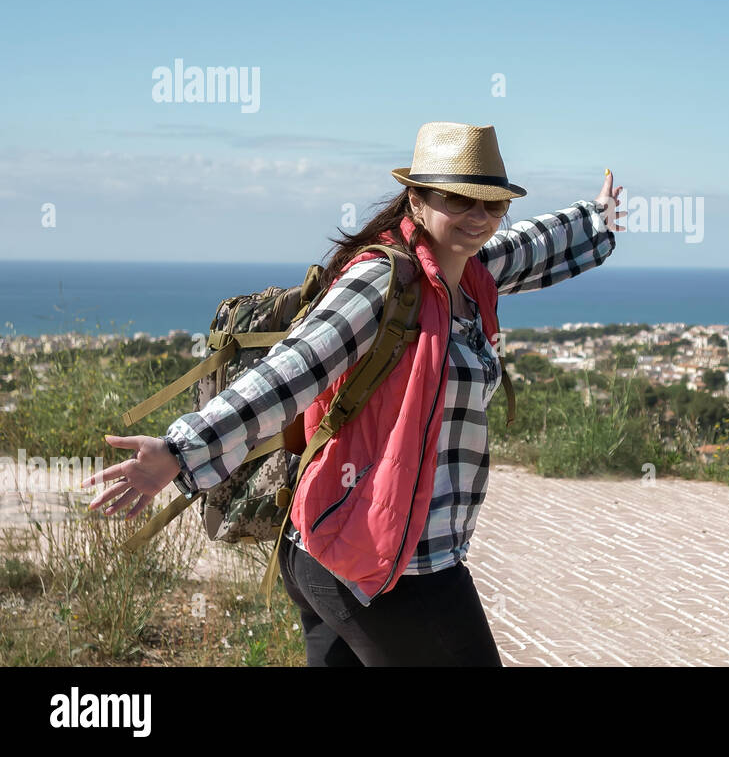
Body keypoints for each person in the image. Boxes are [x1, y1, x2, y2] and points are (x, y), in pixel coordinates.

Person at [83, 121, 624, 665]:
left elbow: (531, 245)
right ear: (416, 198)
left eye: (492, 202)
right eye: (459, 199)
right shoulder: (384, 282)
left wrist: (594, 219)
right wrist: (180, 452)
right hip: (390, 565)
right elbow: (291, 372)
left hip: (338, 551)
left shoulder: (470, 271)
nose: (478, 216)